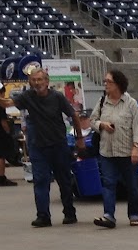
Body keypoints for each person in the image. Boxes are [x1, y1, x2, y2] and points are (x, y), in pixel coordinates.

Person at [11, 66, 86, 227]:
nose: (37, 83)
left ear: (47, 81)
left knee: (64, 181)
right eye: (34, 80)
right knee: (40, 181)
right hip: (38, 147)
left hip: (58, 144)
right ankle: (43, 216)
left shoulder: (57, 97)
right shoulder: (27, 96)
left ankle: (69, 212)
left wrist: (79, 138)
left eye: (40, 80)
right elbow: (10, 103)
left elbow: (73, 115)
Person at [92, 68, 138, 229]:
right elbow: (93, 120)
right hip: (107, 151)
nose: (105, 84)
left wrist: (136, 147)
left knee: (132, 185)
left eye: (109, 81)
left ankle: (135, 214)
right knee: (108, 183)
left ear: (118, 84)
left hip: (126, 152)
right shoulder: (102, 102)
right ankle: (109, 215)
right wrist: (102, 125)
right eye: (105, 81)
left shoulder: (130, 103)